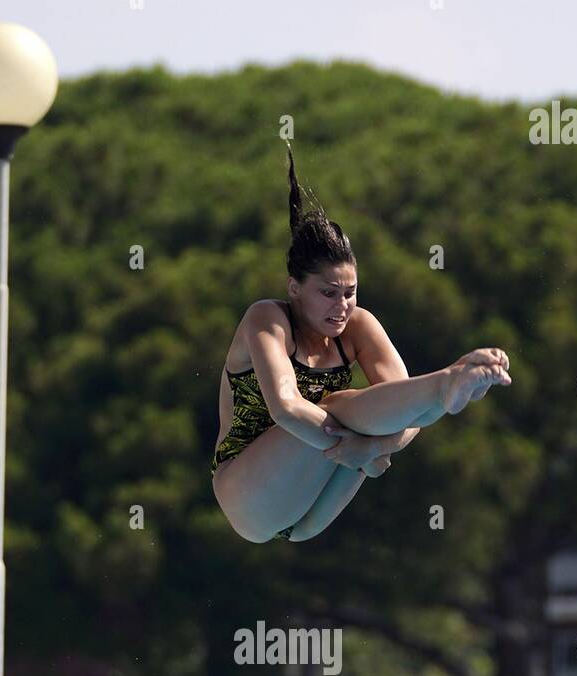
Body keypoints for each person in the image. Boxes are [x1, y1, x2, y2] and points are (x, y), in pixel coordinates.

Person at [212, 144, 511, 543]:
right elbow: (285, 409)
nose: (342, 306)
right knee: (337, 405)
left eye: (350, 292)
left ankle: (447, 385)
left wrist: (373, 447)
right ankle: (444, 384)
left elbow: (404, 411)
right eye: (328, 293)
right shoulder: (267, 319)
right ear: (294, 288)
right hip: (248, 496)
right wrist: (361, 450)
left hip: (314, 510)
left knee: (385, 404)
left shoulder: (358, 325)